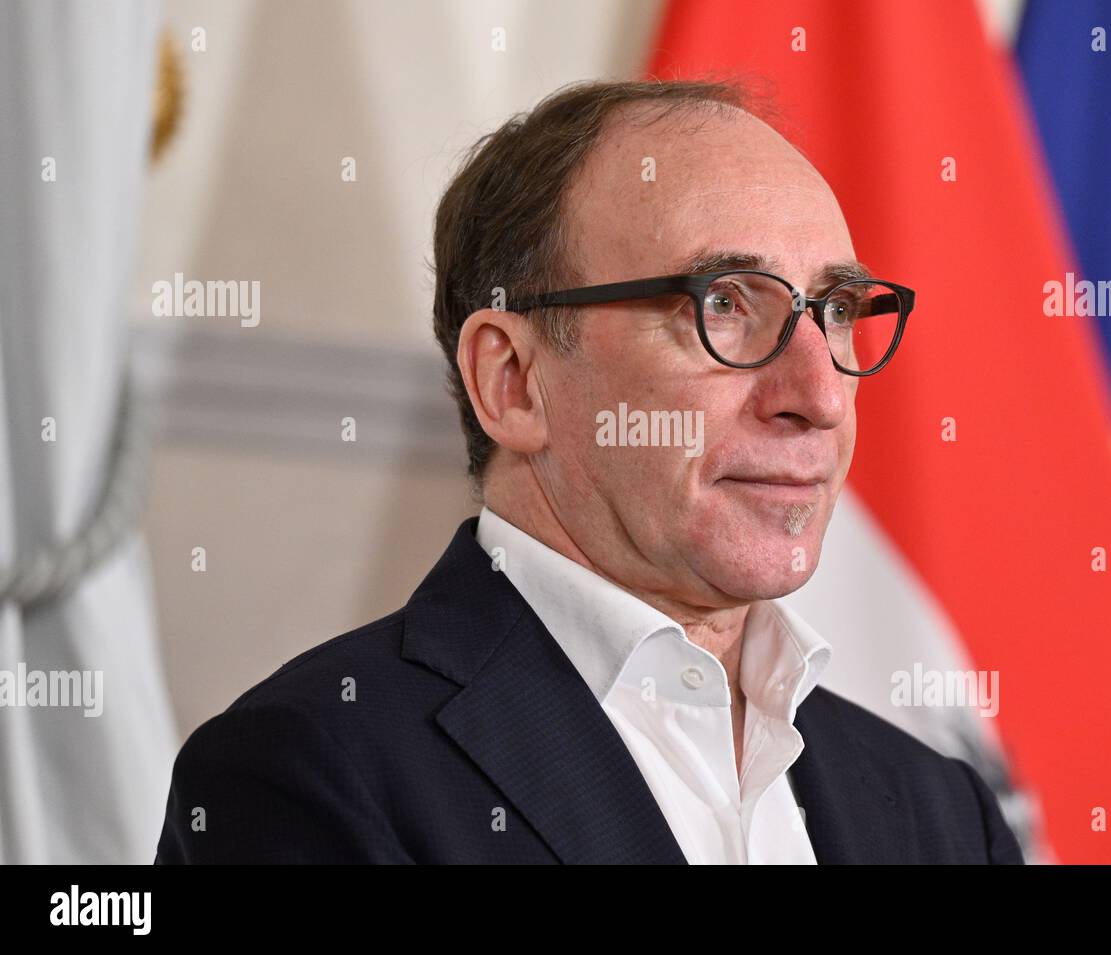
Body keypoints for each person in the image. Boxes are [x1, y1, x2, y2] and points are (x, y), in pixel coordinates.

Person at [154, 78, 1024, 864]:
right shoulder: (307, 772)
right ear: (514, 381)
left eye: (833, 311)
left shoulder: (940, 813)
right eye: (723, 303)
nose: (821, 395)